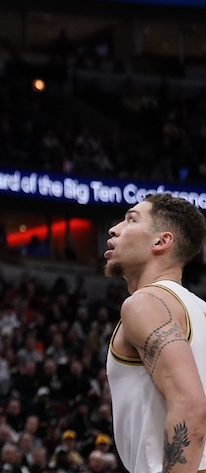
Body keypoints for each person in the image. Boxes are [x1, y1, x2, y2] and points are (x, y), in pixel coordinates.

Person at [104, 193, 206, 473]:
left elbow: (190, 405)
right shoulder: (200, 309)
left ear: (162, 241)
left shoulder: (145, 303)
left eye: (130, 220)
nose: (115, 229)